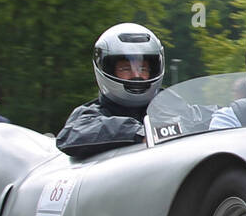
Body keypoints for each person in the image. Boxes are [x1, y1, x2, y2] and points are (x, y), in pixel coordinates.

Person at [56, 23, 165, 158]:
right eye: (126, 69)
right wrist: (138, 133)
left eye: (143, 69)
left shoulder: (169, 105)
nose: (136, 75)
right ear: (108, 70)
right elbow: (72, 135)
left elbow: (194, 118)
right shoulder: (90, 115)